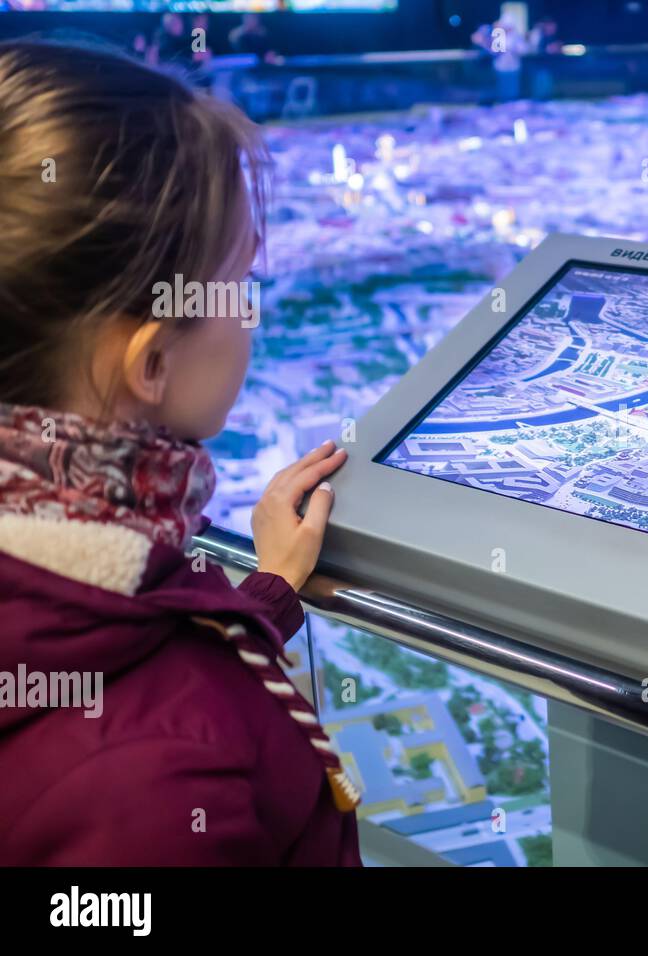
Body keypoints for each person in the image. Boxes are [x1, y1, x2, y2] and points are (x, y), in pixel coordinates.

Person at [0, 40, 360, 866]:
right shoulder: (152, 797)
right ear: (153, 361)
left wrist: (265, 595)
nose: (250, 314)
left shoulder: (63, 587)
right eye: (239, 282)